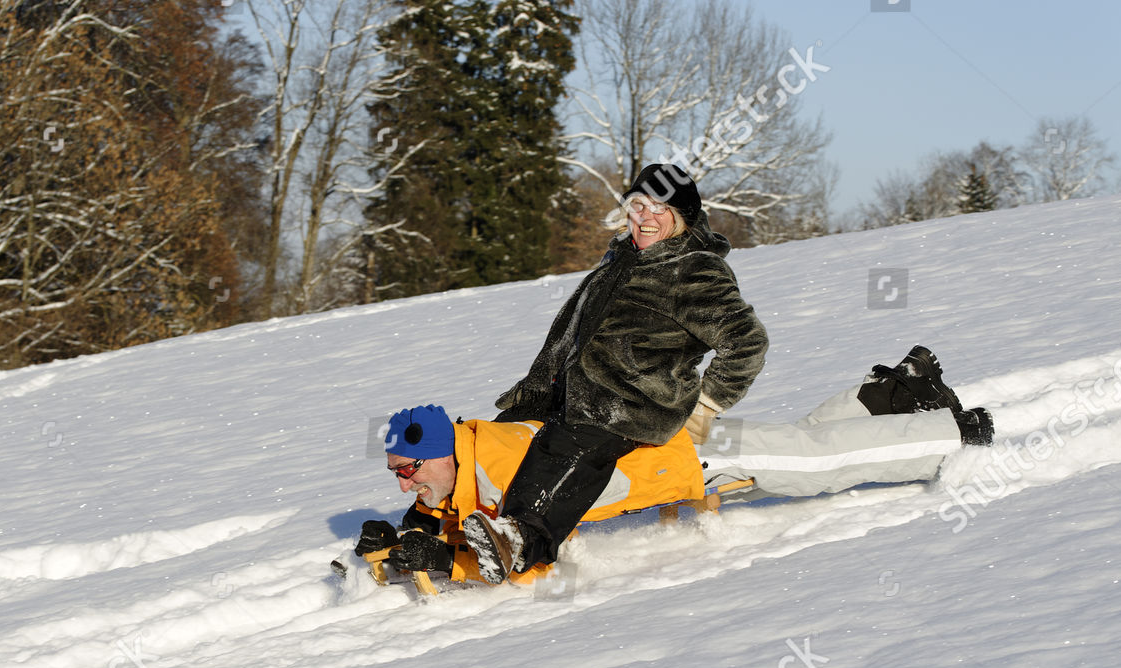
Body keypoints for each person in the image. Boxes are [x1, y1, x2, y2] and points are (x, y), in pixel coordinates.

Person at [359, 346, 994, 587]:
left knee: (817, 463)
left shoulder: (503, 466)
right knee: (801, 440)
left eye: (410, 469)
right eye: (396, 472)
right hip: (675, 443)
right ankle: (896, 393)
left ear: (443, 452)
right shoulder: (463, 464)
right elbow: (445, 512)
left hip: (688, 458)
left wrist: (446, 560)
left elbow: (524, 556)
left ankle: (951, 433)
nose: (406, 482)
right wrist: (399, 539)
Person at [466, 163, 769, 584]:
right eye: (637, 205)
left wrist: (707, 403)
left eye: (659, 209)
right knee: (495, 439)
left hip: (635, 401)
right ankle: (430, 532)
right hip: (571, 389)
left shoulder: (695, 269)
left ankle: (520, 541)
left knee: (568, 444)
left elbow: (747, 342)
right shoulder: (623, 257)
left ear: (681, 218)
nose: (644, 217)